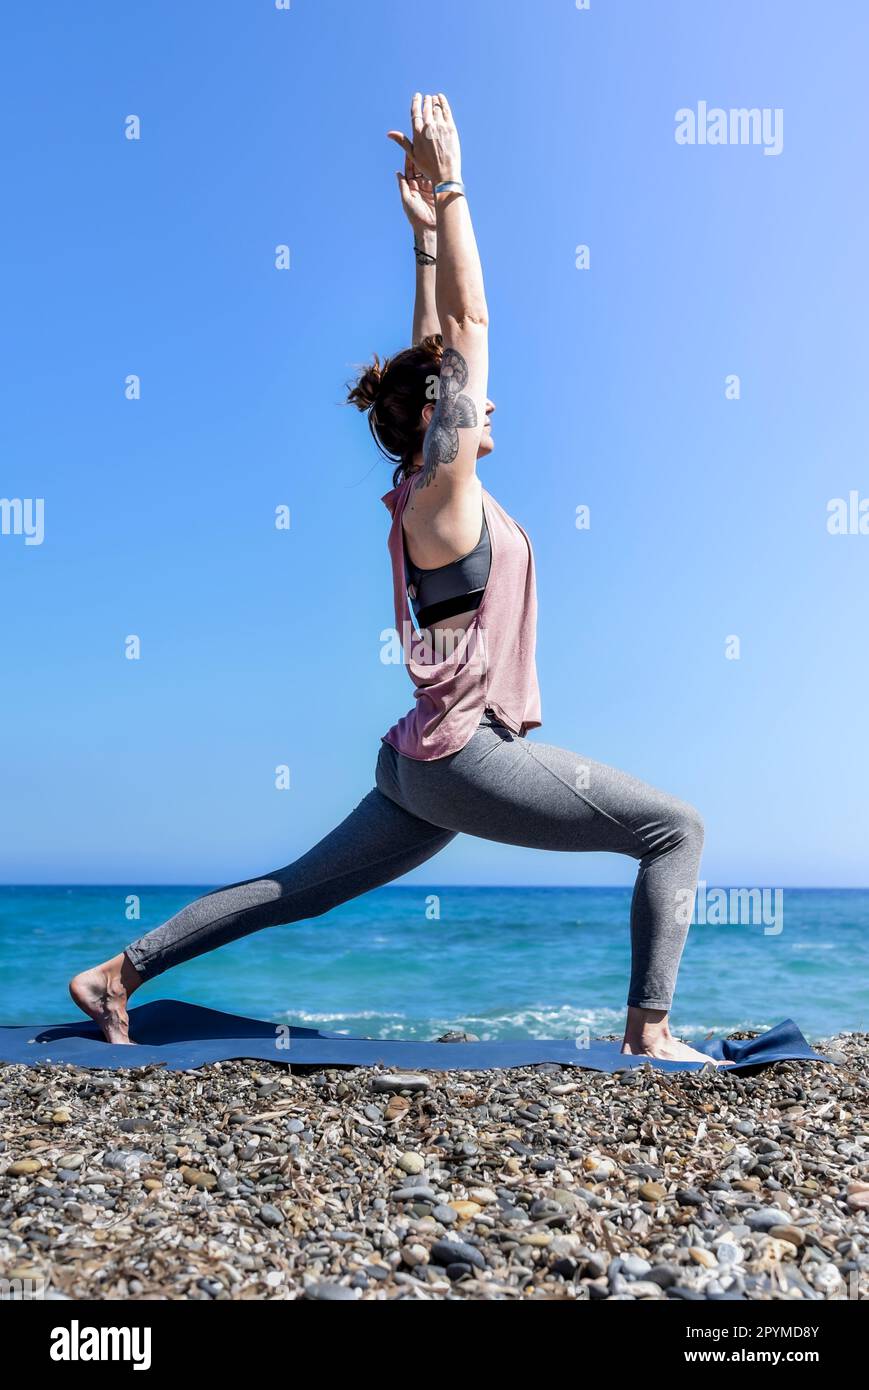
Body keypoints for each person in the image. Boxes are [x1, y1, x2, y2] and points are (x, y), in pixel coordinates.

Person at [71, 94, 716, 1063]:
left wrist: (418, 242)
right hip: (460, 757)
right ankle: (649, 1032)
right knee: (674, 829)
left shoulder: (420, 490)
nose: (487, 395)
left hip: (417, 759)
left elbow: (432, 343)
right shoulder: (443, 493)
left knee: (295, 886)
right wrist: (453, 186)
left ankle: (116, 972)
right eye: (465, 394)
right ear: (438, 420)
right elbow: (467, 323)